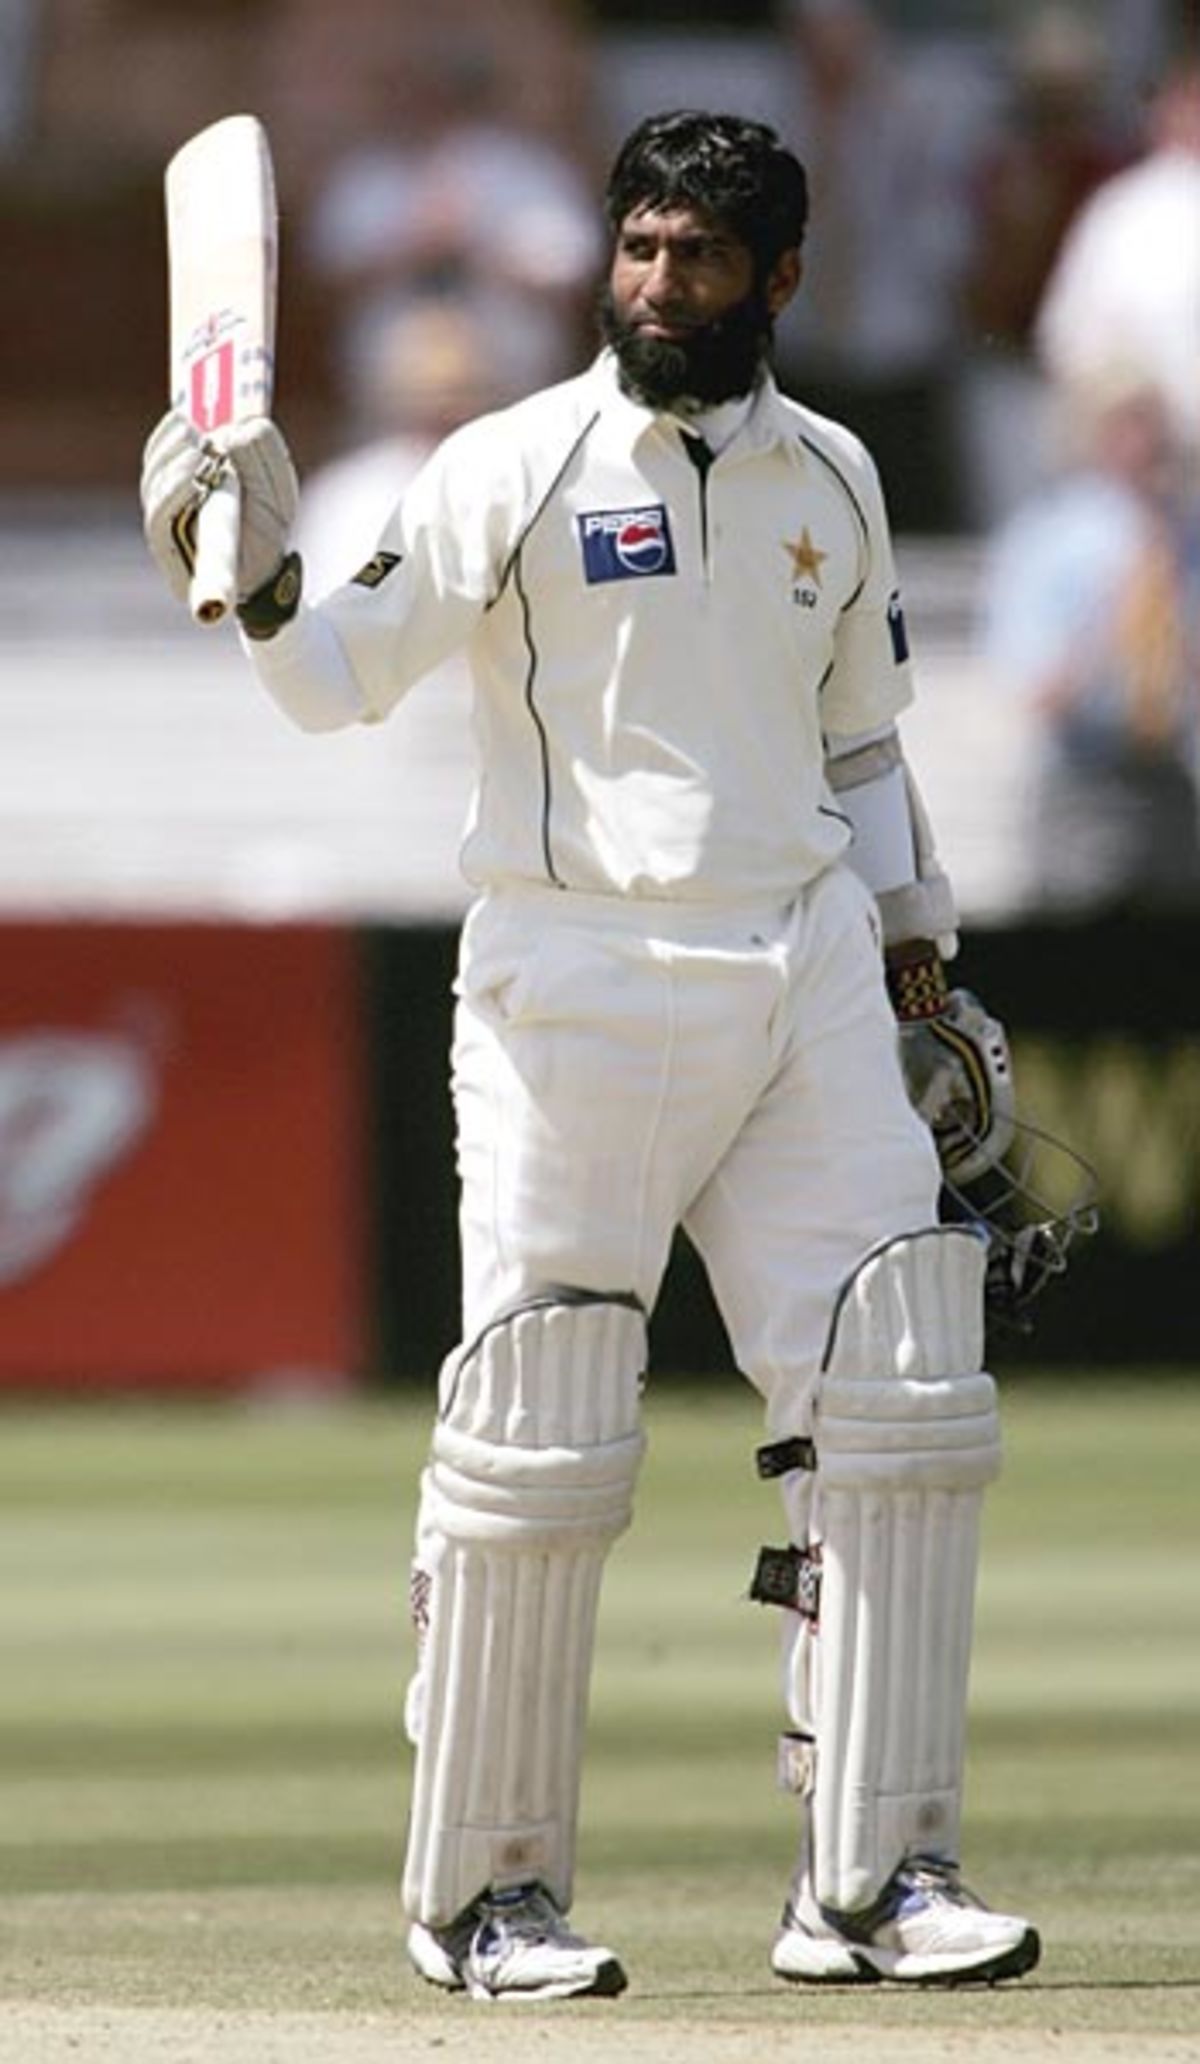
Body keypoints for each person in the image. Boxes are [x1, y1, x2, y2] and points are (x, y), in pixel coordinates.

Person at [141, 111, 1050, 2002]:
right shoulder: (512, 460)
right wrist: (253, 566)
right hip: (577, 969)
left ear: (778, 278)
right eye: (636, 248)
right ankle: (487, 1897)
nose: (655, 285)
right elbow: (332, 679)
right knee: (543, 1419)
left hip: (803, 959)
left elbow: (863, 742)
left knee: (901, 1393)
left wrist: (918, 961)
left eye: (696, 257)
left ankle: (874, 1879)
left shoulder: (835, 474)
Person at [982, 364, 1200, 913]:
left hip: (1168, 776)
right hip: (1084, 783)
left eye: (1157, 427)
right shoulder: (1052, 537)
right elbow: (1032, 686)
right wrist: (1116, 620)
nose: (1150, 445)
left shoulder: (1185, 535)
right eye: (1130, 426)